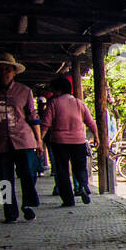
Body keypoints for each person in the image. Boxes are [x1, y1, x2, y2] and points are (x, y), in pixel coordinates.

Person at [0, 54, 44, 223]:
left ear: (15, 72)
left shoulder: (25, 91)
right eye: (0, 70)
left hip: (23, 140)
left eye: (8, 69)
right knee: (4, 179)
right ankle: (9, 212)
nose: (4, 73)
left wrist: (39, 140)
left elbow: (33, 117)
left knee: (28, 174)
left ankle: (28, 205)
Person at [41, 76, 98, 206]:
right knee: (80, 167)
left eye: (53, 90)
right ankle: (83, 186)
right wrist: (96, 136)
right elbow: (90, 122)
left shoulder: (54, 103)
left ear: (58, 90)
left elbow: (46, 124)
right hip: (78, 141)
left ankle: (68, 200)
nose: (52, 93)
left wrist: (39, 139)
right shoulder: (79, 103)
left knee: (62, 171)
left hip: (59, 142)